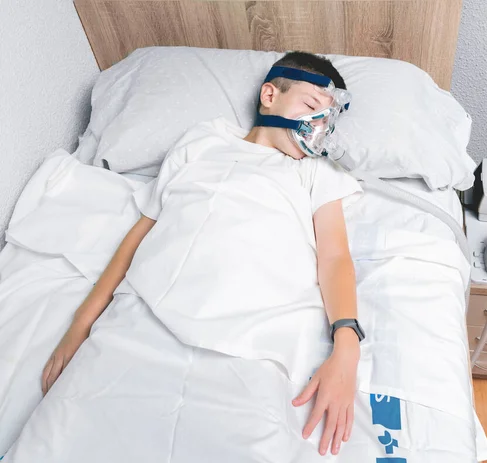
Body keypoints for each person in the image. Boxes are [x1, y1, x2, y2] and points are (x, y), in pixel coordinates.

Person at [41, 51, 364, 457]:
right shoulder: (205, 141)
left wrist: (347, 347)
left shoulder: (316, 172)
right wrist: (80, 325)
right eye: (312, 106)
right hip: (141, 323)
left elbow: (335, 258)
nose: (318, 126)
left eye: (328, 119)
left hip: (251, 346)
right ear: (270, 94)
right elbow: (141, 233)